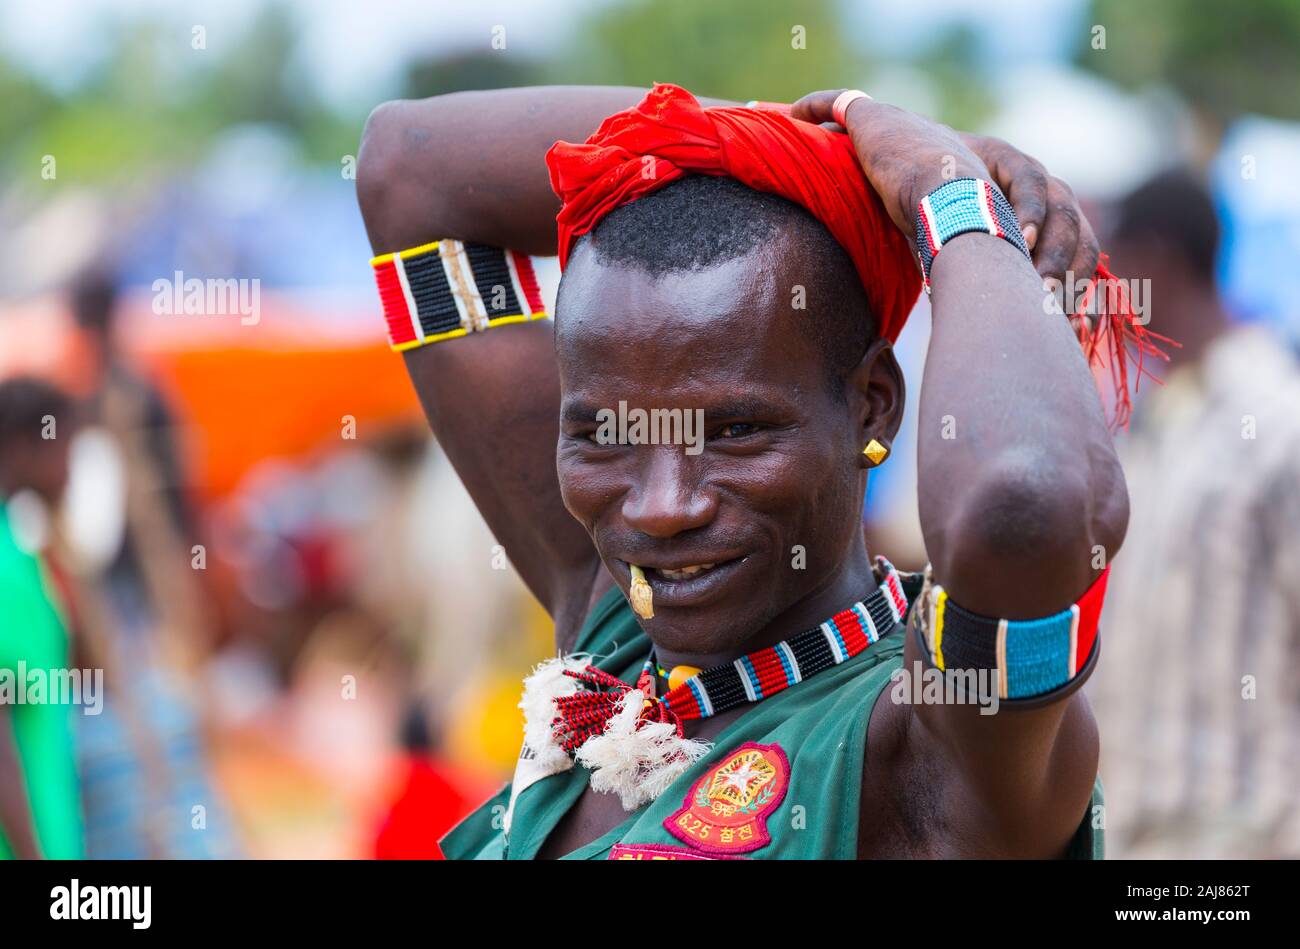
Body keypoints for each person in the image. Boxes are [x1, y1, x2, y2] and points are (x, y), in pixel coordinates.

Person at [356, 84, 1138, 859]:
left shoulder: (926, 740)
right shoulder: (612, 631)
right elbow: (405, 168)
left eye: (733, 432)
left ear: (873, 404)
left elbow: (1025, 507)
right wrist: (855, 141)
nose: (661, 508)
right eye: (605, 435)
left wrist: (952, 199)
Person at [1089, 170, 1300, 858]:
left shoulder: (1278, 421)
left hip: (1245, 834)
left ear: (1158, 259)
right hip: (1131, 828)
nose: (1104, 298)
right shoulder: (1148, 421)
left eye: (1114, 271)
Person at [0, 377, 84, 860]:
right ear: (22, 447)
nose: (71, 469)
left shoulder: (25, 552)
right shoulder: (6, 564)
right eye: (66, 447)